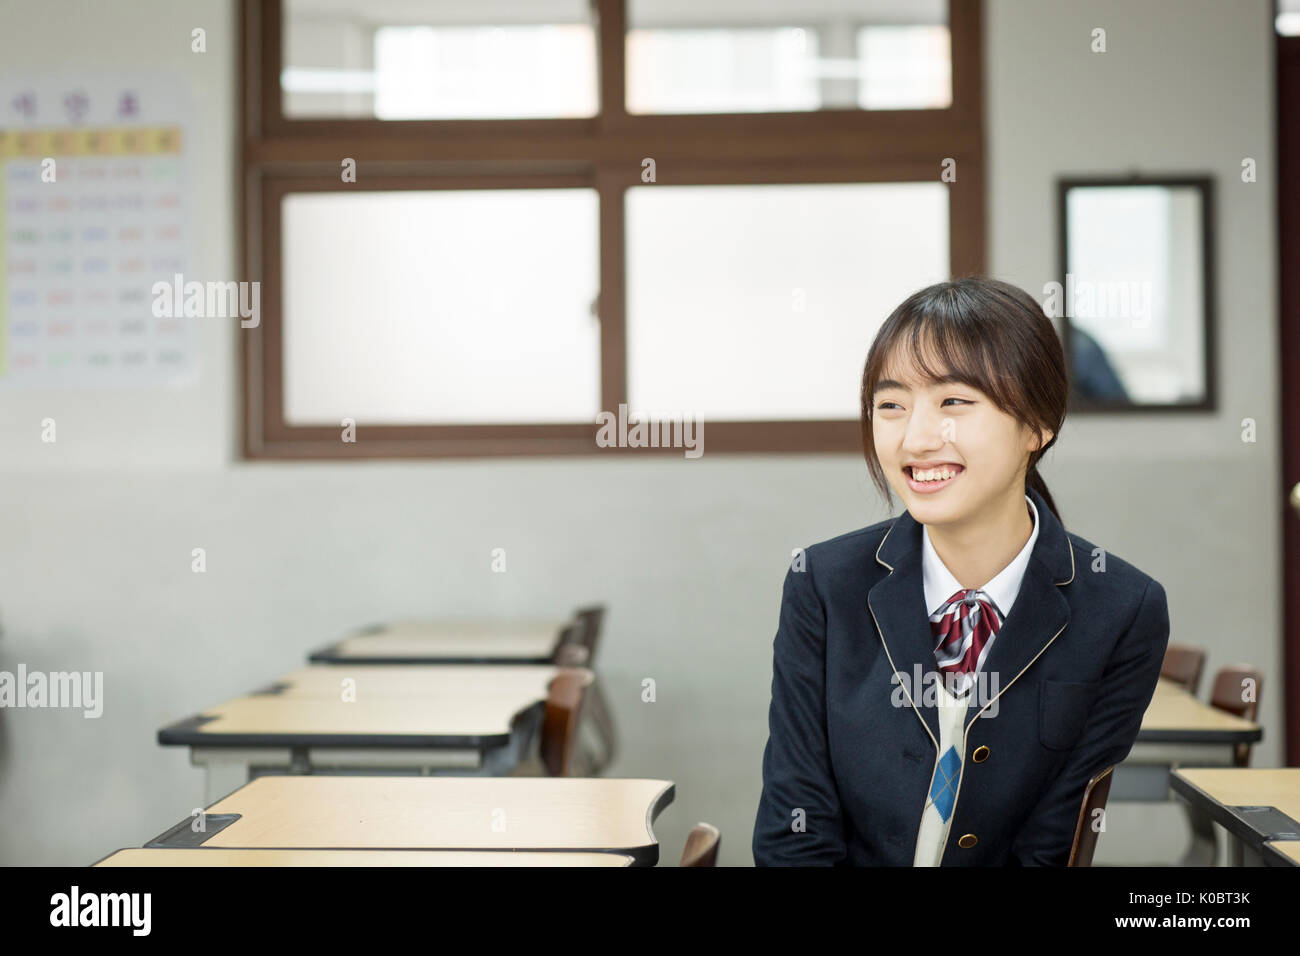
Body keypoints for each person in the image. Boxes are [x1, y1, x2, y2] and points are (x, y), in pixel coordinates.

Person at [752, 276, 1170, 866]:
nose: (917, 438)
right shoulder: (823, 584)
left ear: (1037, 425)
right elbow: (795, 830)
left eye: (954, 402)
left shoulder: (1123, 610)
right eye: (891, 405)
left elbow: (1052, 849)